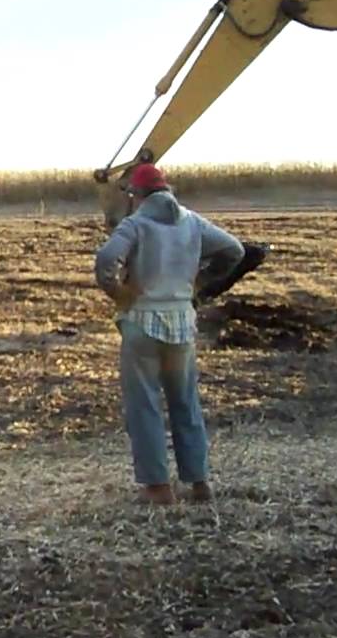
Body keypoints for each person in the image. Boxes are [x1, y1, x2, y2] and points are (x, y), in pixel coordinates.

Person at [93, 163, 245, 505]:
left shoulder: (135, 224)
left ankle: (157, 487)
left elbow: (106, 259)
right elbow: (234, 250)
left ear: (136, 195)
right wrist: (201, 281)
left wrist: (118, 292)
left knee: (144, 403)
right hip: (182, 323)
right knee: (185, 401)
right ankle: (198, 481)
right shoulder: (192, 221)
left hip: (142, 323)